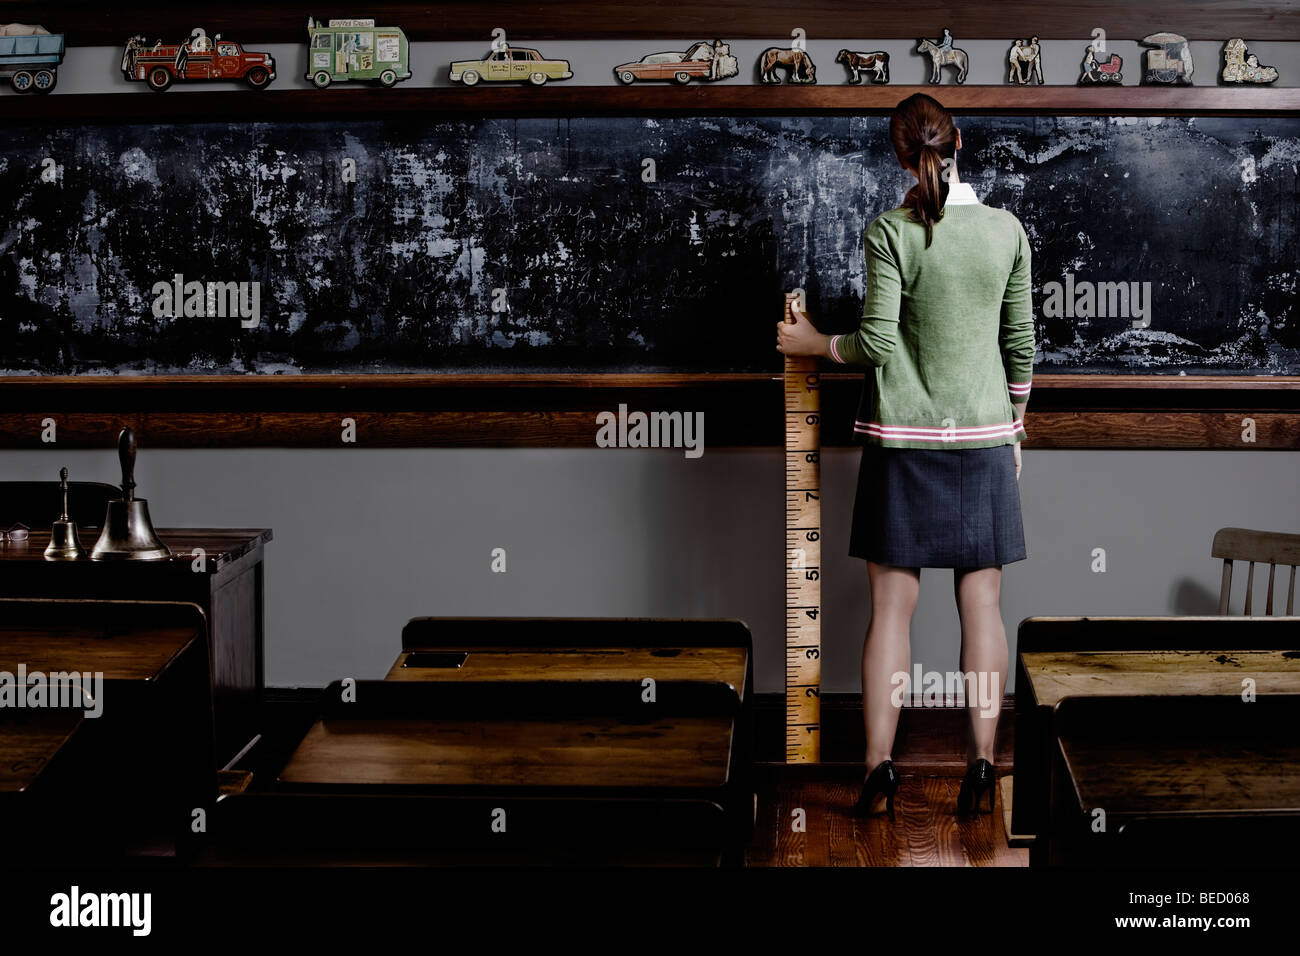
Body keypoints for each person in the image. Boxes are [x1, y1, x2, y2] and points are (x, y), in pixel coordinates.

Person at [776, 92, 1035, 821]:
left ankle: (877, 771)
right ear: (961, 141)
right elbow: (1021, 345)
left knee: (891, 609)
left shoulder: (888, 231)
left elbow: (877, 345)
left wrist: (814, 344)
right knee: (982, 606)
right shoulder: (1006, 230)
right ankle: (983, 765)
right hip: (984, 442)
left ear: (898, 153)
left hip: (902, 446)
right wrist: (1013, 426)